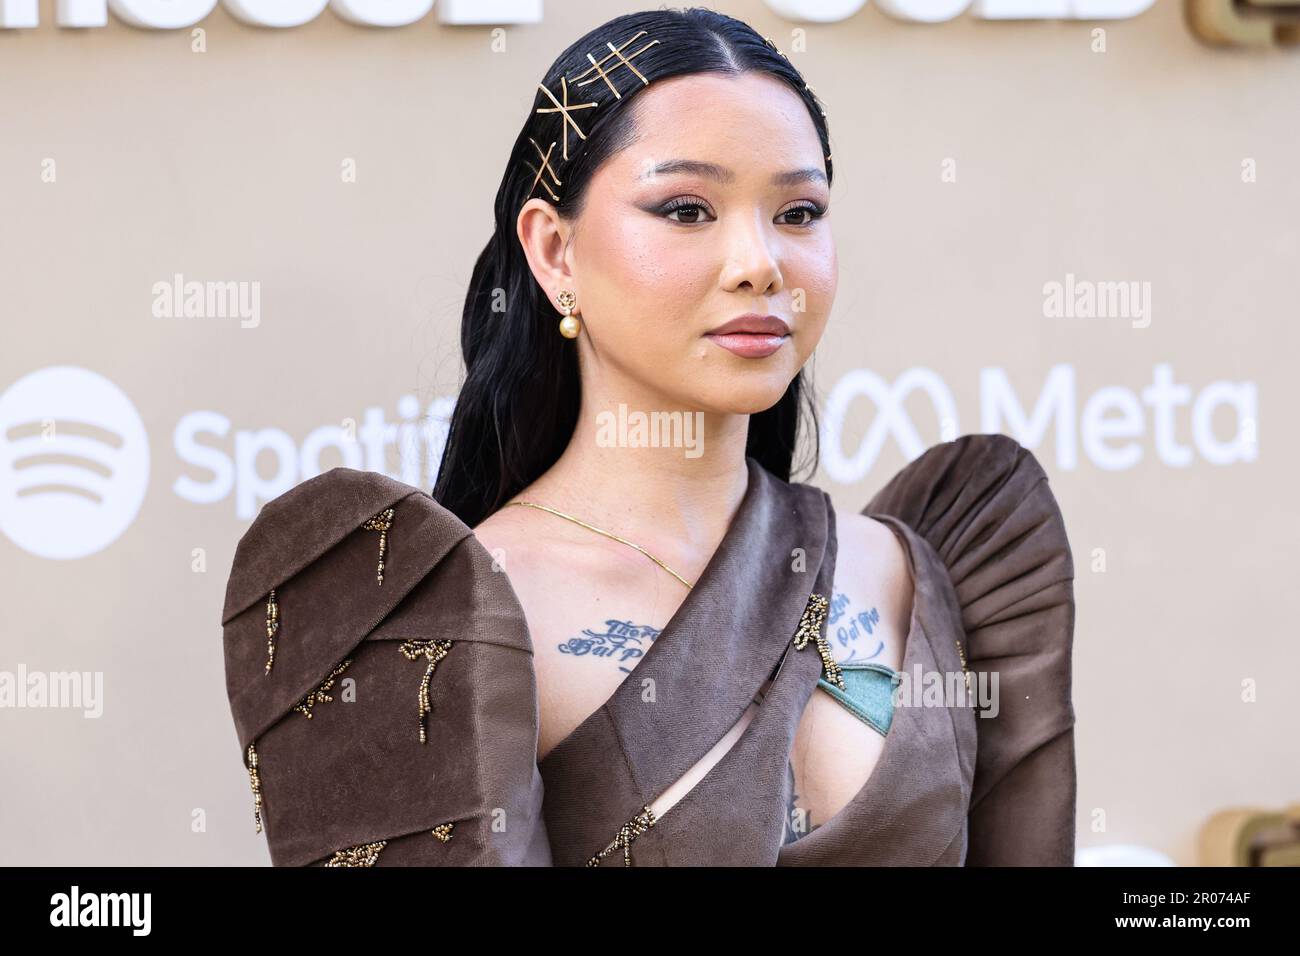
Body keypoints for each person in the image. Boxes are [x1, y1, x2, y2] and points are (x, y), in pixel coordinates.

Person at [219, 7, 1076, 867]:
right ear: (554, 252)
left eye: (799, 211)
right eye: (687, 209)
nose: (760, 262)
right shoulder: (450, 614)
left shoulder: (921, 570)